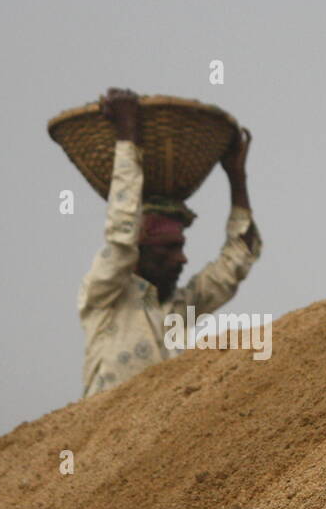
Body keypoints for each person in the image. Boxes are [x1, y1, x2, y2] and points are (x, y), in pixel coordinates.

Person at [79, 87, 262, 396]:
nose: (182, 259)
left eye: (180, 247)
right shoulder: (106, 296)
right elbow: (121, 234)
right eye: (168, 248)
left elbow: (238, 258)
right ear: (138, 251)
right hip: (110, 441)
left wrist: (236, 178)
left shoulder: (180, 308)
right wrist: (127, 136)